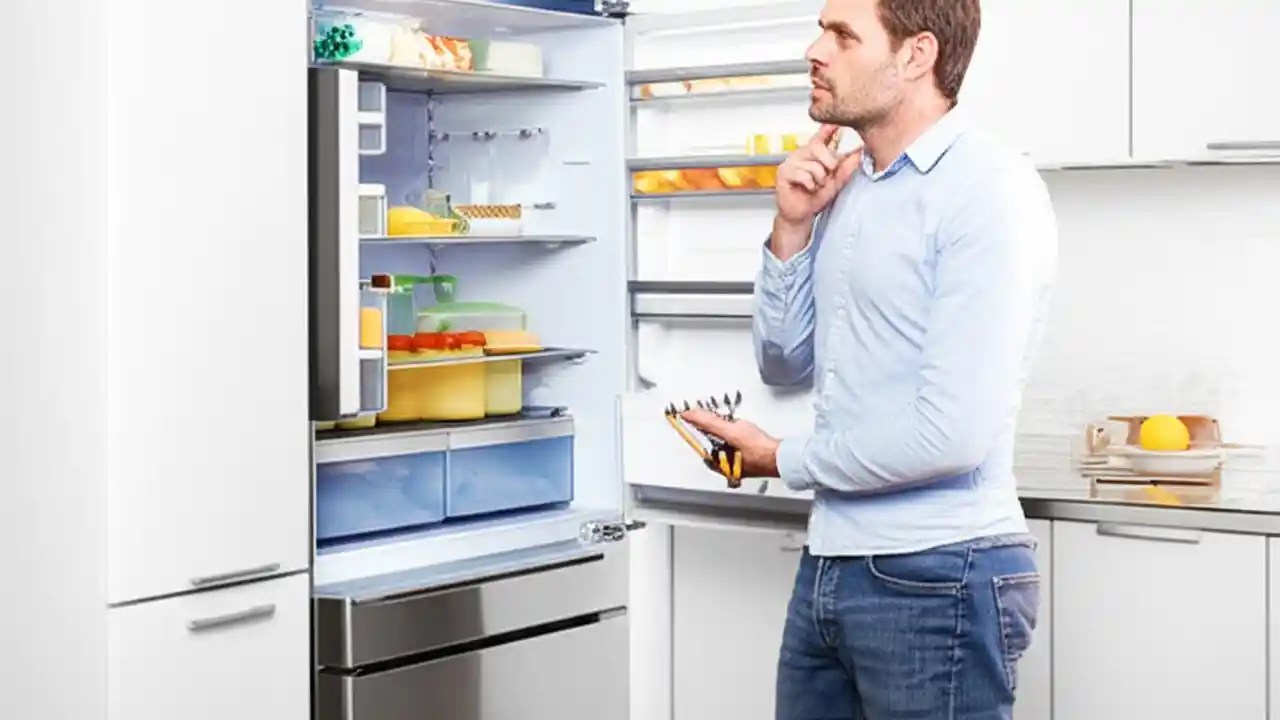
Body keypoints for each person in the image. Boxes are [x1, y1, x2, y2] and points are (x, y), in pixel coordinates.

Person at [679, 0, 1059, 717]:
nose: (812, 49)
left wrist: (778, 459)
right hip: (830, 562)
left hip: (941, 570)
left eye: (842, 34)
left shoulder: (988, 191)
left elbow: (951, 436)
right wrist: (792, 228)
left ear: (916, 56)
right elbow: (785, 363)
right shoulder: (853, 188)